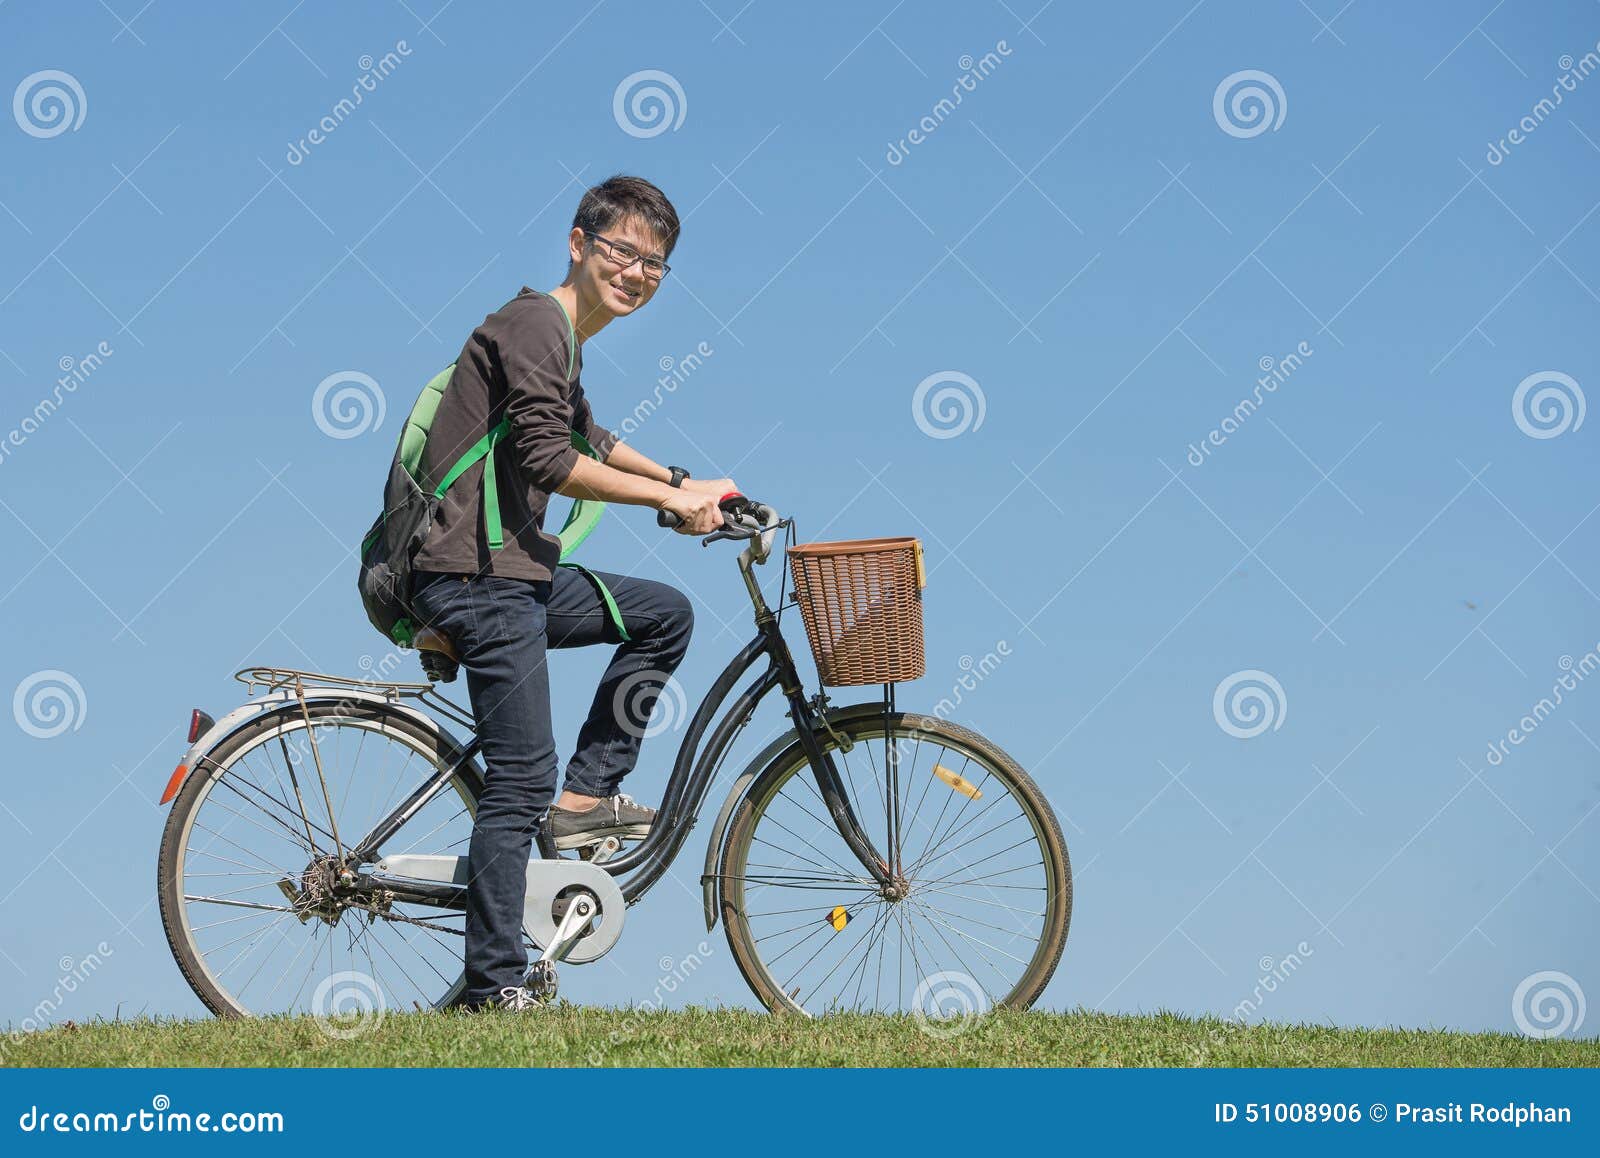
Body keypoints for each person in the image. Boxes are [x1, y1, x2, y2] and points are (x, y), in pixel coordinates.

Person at [406, 175, 736, 1010]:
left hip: (513, 574)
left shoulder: (563, 340)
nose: (636, 272)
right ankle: (491, 988)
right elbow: (552, 459)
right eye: (622, 250)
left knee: (663, 613)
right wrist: (667, 501)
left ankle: (585, 801)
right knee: (520, 778)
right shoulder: (532, 323)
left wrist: (689, 481)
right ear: (578, 243)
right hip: (473, 579)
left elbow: (586, 433)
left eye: (654, 263)